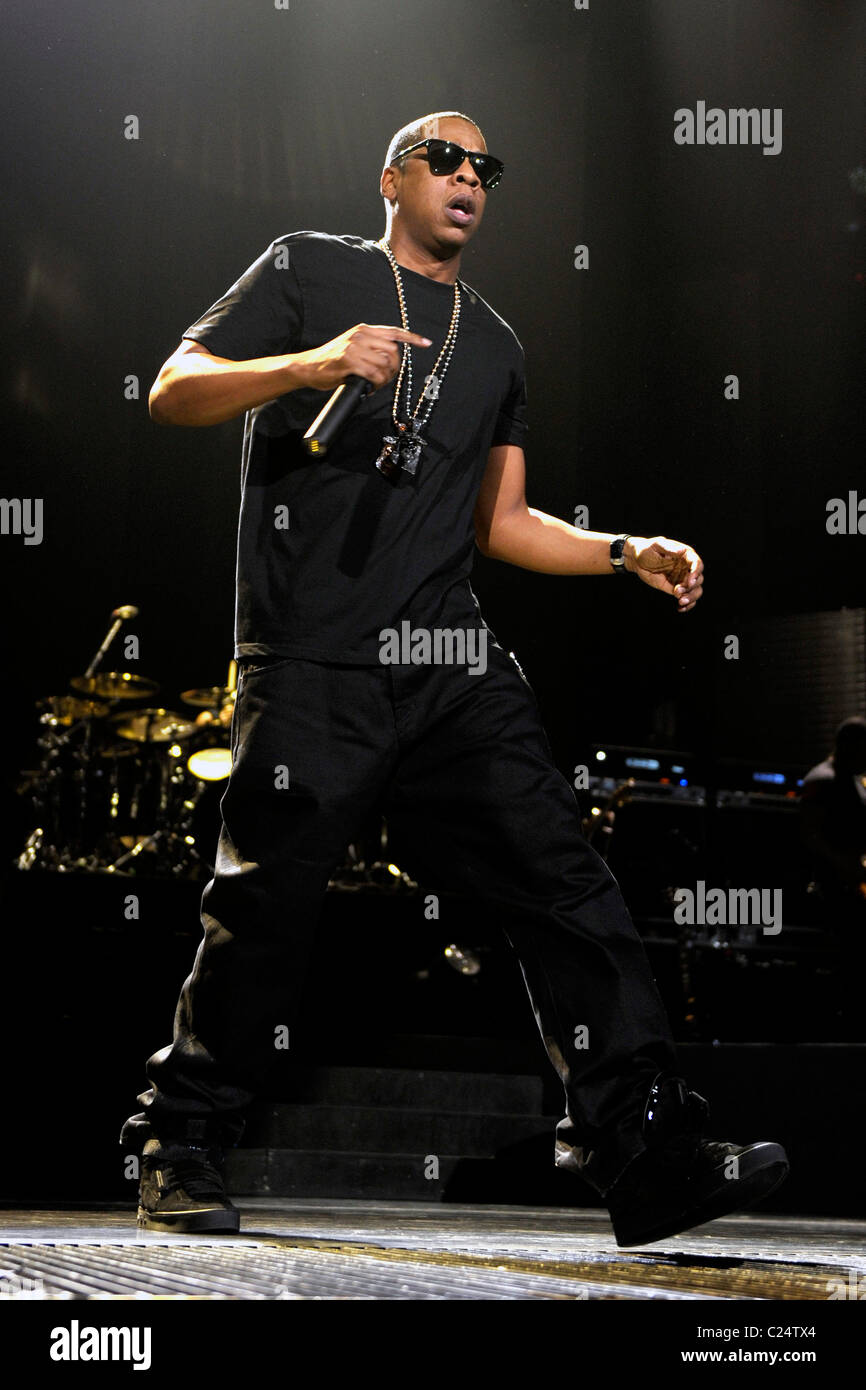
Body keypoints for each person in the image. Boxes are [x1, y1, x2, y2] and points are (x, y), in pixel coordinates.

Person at [121, 111, 788, 1247]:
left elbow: (506, 521)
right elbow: (174, 387)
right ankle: (176, 1139)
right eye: (444, 158)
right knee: (264, 908)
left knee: (563, 881)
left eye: (486, 166)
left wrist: (622, 550)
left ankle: (643, 1151)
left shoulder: (498, 341)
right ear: (391, 176)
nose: (468, 178)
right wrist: (317, 360)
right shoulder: (307, 267)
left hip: (447, 665)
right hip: (310, 656)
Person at [801, 715, 866, 1037]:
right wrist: (846, 865)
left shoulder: (846, 778)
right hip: (833, 890)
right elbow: (812, 836)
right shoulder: (825, 780)